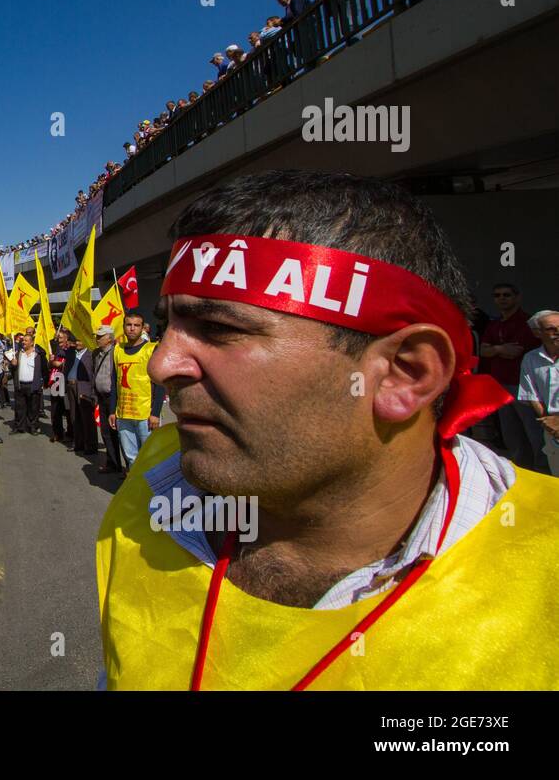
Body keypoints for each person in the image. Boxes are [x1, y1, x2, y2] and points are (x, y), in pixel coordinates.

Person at [97, 170, 559, 689]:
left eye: (220, 329)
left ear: (404, 372)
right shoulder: (155, 477)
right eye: (166, 328)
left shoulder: (544, 576)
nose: (162, 365)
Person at [479, 282, 544, 471]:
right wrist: (500, 349)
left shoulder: (528, 323)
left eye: (506, 295)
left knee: (535, 435)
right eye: (497, 295)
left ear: (517, 297)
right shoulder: (494, 324)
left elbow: (516, 351)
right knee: (511, 435)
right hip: (501, 386)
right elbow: (483, 350)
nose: (501, 299)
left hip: (524, 387)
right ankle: (520, 474)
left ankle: (543, 474)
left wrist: (494, 350)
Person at [108, 311, 164, 472]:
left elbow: (159, 384)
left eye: (136, 325)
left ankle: (153, 493)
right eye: (129, 325)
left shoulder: (152, 349)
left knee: (151, 457)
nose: (132, 328)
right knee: (131, 457)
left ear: (142, 328)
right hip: (124, 414)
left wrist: (155, 412)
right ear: (124, 327)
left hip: (145, 415)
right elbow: (114, 381)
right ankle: (137, 492)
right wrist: (112, 410)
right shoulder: (117, 350)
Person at [517, 309, 558, 475]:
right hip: (552, 427)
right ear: (537, 333)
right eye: (551, 329)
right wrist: (549, 423)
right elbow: (531, 394)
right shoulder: (531, 359)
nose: (558, 332)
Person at [90, 325, 125, 474]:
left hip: (113, 397)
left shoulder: (117, 352)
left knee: (120, 432)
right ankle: (113, 463)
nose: (97, 339)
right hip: (101, 396)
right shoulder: (96, 353)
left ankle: (128, 467)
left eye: (101, 336)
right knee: (105, 432)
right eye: (97, 336)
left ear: (109, 338)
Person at [8, 329, 49, 435]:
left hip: (33, 385)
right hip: (20, 385)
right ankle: (19, 427)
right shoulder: (18, 354)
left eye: (26, 341)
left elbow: (45, 369)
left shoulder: (38, 355)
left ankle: (33, 427)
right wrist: (12, 364)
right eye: (23, 340)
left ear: (32, 342)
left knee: (33, 408)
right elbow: (11, 368)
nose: (23, 342)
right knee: (19, 408)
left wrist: (45, 382)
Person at [70, 334, 99, 455]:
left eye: (79, 340)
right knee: (75, 417)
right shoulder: (73, 353)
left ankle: (91, 446)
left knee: (87, 419)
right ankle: (79, 443)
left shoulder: (91, 355)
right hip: (71, 387)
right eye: (76, 340)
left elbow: (94, 375)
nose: (77, 343)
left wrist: (92, 394)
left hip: (84, 389)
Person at [49, 328, 75, 444]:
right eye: (57, 337)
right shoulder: (55, 348)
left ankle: (71, 433)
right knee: (55, 409)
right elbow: (51, 364)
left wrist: (59, 363)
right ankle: (57, 433)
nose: (58, 338)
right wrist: (51, 362)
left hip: (66, 381)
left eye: (60, 337)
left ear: (66, 338)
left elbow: (65, 363)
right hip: (56, 381)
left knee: (68, 409)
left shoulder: (70, 350)